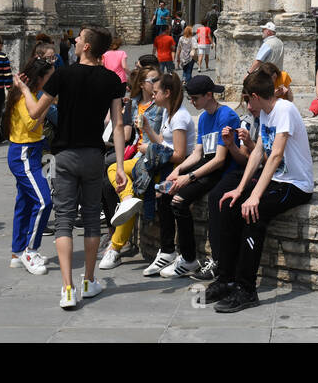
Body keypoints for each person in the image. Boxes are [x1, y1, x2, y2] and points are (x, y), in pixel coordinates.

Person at [20, 26, 127, 309]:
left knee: (65, 219)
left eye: (79, 38)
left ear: (88, 46)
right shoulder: (112, 79)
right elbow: (117, 125)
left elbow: (34, 112)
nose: (75, 41)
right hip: (93, 155)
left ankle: (67, 288)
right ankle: (89, 281)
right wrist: (120, 166)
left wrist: (22, 88)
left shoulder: (62, 75)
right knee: (92, 219)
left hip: (63, 156)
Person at [209, 71, 315, 313]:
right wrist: (240, 189)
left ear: (256, 96)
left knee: (253, 214)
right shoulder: (265, 113)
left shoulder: (284, 109)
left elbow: (276, 154)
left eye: (248, 100)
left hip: (296, 184)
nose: (247, 106)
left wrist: (255, 195)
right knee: (230, 205)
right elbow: (258, 153)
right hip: (278, 180)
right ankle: (227, 278)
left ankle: (246, 289)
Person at [156, 75, 244, 281]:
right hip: (206, 166)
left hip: (222, 171)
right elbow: (197, 153)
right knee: (165, 192)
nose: (192, 102)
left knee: (179, 201)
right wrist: (179, 170)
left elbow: (220, 160)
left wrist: (190, 177)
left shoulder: (226, 116)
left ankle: (190, 258)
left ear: (209, 95)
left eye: (195, 98)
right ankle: (171, 251)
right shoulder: (204, 117)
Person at [139, 72, 199, 277]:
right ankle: (167, 251)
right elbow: (163, 143)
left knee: (167, 201)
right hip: (167, 165)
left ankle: (172, 252)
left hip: (180, 168)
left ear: (168, 93)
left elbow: (180, 154)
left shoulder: (180, 117)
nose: (153, 96)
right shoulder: (167, 113)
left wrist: (150, 151)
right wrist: (148, 130)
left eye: (156, 92)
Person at [99, 65, 156, 267]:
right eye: (153, 80)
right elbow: (113, 126)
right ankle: (125, 202)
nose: (157, 84)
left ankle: (114, 246)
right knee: (110, 176)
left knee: (114, 171)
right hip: (136, 155)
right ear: (142, 85)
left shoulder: (161, 105)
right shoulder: (132, 104)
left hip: (151, 157)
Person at [4, 57, 55, 275]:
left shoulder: (32, 96)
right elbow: (33, 122)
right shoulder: (24, 97)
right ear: (40, 78)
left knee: (24, 202)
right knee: (44, 201)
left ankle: (17, 252)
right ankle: (30, 250)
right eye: (49, 77)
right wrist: (47, 102)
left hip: (31, 152)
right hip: (23, 153)